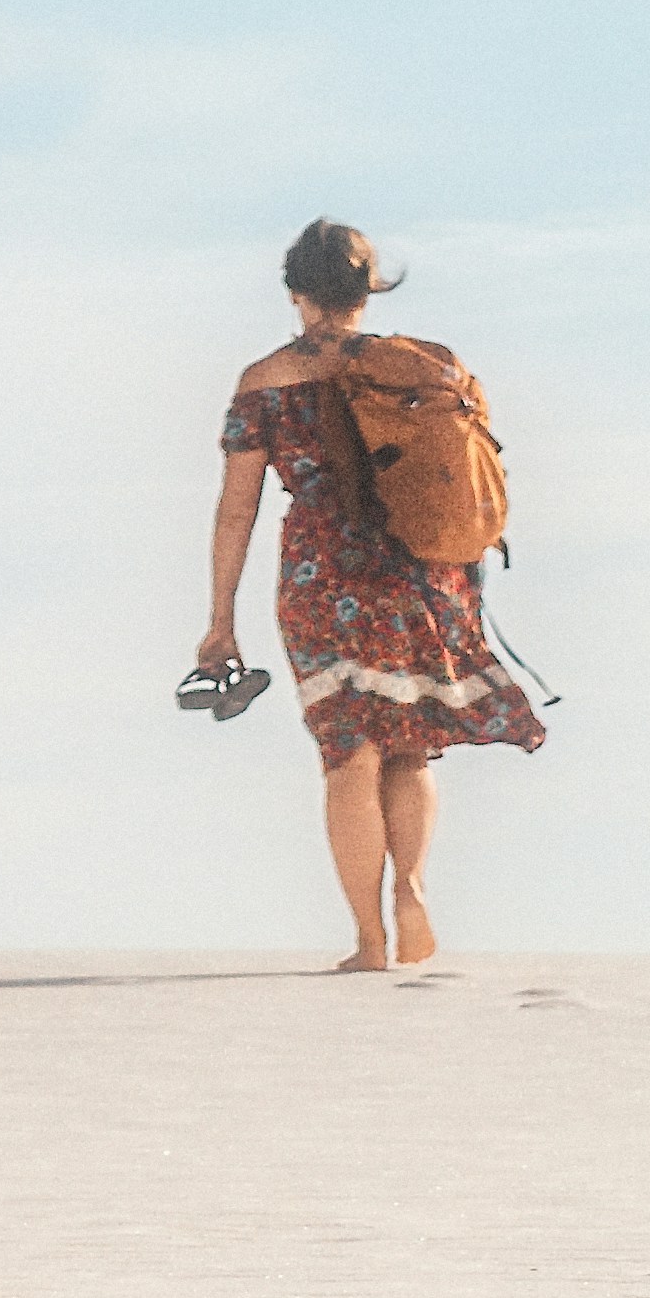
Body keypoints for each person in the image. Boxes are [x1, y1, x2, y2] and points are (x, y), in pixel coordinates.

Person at [197, 219, 546, 971]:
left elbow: (237, 509)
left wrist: (220, 620)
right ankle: (412, 889)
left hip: (322, 570)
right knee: (411, 750)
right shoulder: (417, 368)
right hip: (422, 564)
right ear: (366, 292)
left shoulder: (263, 382)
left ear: (296, 293)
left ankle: (367, 939)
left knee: (346, 753)